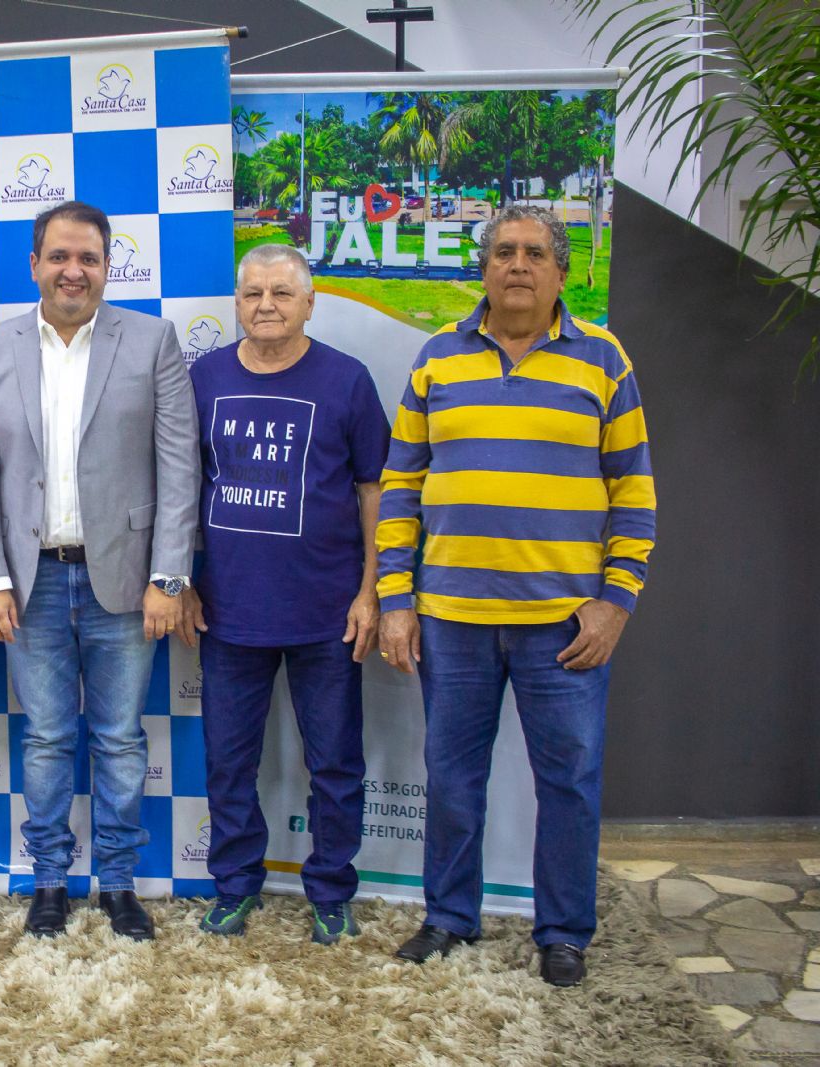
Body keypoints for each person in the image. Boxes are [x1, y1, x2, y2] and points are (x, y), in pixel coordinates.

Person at [376, 205, 655, 987]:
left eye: (535, 252)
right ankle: (449, 916)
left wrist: (616, 600)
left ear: (562, 271)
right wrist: (396, 596)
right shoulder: (437, 358)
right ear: (484, 268)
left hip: (563, 624)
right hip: (453, 618)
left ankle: (563, 930)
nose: (519, 265)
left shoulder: (603, 359)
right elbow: (400, 485)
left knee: (569, 778)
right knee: (452, 775)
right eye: (503, 252)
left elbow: (633, 490)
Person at [0, 200, 199, 941]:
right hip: (28, 585)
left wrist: (169, 577)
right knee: (48, 738)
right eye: (59, 256)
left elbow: (179, 464)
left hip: (124, 580)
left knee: (121, 739)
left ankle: (120, 882)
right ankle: (50, 880)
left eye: (88, 258)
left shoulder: (153, 340)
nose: (73, 270)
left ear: (106, 265)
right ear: (34, 265)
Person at [182, 245, 389, 941]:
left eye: (280, 293)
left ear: (308, 302)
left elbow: (373, 490)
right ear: (236, 303)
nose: (264, 305)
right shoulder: (203, 377)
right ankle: (236, 886)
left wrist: (371, 591)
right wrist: (180, 581)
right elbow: (181, 488)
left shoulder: (347, 380)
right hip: (228, 610)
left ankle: (331, 888)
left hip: (327, 612)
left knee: (334, 761)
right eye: (251, 293)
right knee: (228, 762)